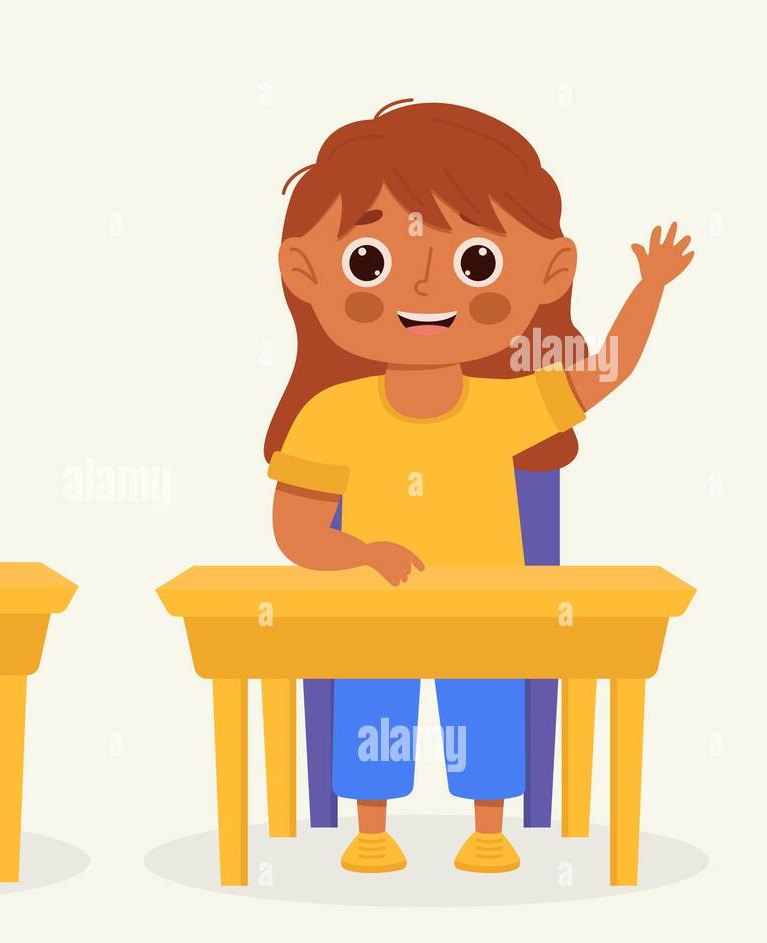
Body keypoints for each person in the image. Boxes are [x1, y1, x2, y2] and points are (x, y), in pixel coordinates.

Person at [266, 100, 692, 874]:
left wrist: (650, 287)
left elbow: (605, 372)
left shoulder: (508, 404)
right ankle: (372, 829)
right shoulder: (330, 416)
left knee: (487, 716)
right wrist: (359, 553)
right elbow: (294, 528)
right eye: (370, 261)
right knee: (373, 714)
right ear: (305, 271)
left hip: (491, 609)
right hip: (372, 612)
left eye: (477, 264)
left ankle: (487, 829)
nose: (425, 288)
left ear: (550, 272)